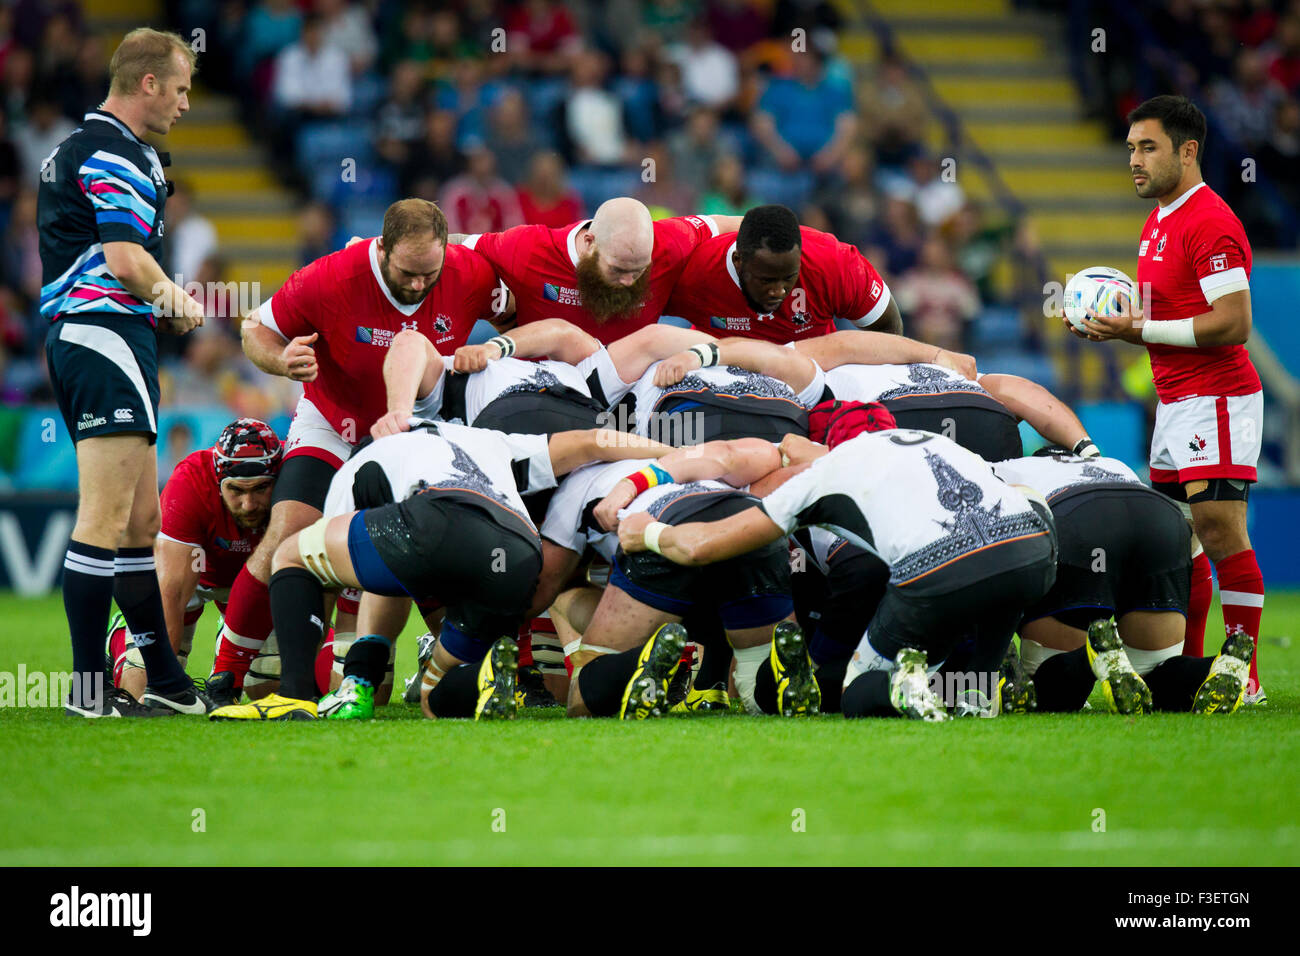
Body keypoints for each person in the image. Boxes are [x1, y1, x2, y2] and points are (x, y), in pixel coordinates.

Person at [220, 199, 505, 702]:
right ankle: (226, 675)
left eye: (429, 274)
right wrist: (281, 360)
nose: (418, 285)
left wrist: (500, 352)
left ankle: (455, 669)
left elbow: (527, 318)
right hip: (333, 422)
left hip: (418, 431)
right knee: (288, 532)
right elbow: (254, 330)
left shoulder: (473, 273)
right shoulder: (330, 277)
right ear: (381, 247)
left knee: (432, 549)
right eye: (407, 273)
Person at [618, 403, 1058, 721]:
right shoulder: (943, 445)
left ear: (826, 443)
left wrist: (651, 533)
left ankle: (900, 685)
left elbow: (703, 547)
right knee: (991, 588)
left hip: (938, 573)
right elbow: (1028, 498)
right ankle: (977, 691)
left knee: (855, 695)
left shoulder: (827, 471)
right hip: (1034, 557)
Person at [208, 421, 673, 721]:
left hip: (438, 520)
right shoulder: (494, 440)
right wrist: (674, 457)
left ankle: (293, 697)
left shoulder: (363, 464)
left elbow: (338, 583)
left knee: (292, 554)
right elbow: (595, 441)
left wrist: (358, 671)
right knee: (436, 694)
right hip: (519, 552)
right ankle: (487, 671)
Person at [1069, 95, 1267, 703]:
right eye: (1130, 147)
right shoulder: (1159, 219)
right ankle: (1191, 668)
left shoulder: (1209, 220)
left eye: (1147, 147)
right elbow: (1172, 315)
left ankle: (1247, 678)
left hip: (1218, 398)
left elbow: (1233, 323)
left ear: (1188, 151)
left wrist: (1137, 329)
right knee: (1176, 542)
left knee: (1219, 532)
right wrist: (1110, 321)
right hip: (1175, 402)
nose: (1134, 159)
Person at [40, 28, 208, 717]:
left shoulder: (89, 147)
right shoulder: (114, 152)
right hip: (101, 334)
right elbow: (124, 262)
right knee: (105, 517)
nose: (186, 103)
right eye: (180, 87)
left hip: (109, 335)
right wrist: (184, 304)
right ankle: (87, 691)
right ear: (148, 84)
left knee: (143, 520)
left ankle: (164, 681)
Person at [992, 451, 1254, 716]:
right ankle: (1218, 665)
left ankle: (1092, 655)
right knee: (1153, 674)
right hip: (1161, 518)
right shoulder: (1111, 462)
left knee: (1045, 693)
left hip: (1078, 517)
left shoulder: (1006, 466)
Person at [456, 197, 743, 344]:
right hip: (538, 387)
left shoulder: (672, 241)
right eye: (618, 269)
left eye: (639, 271)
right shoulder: (530, 247)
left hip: (628, 392)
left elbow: (729, 223)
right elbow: (458, 245)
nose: (630, 282)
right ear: (589, 243)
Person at [665, 204, 903, 341]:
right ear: (738, 261)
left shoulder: (836, 263)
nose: (779, 291)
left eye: (789, 278)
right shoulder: (693, 271)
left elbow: (889, 329)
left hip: (815, 383)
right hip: (720, 387)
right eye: (766, 280)